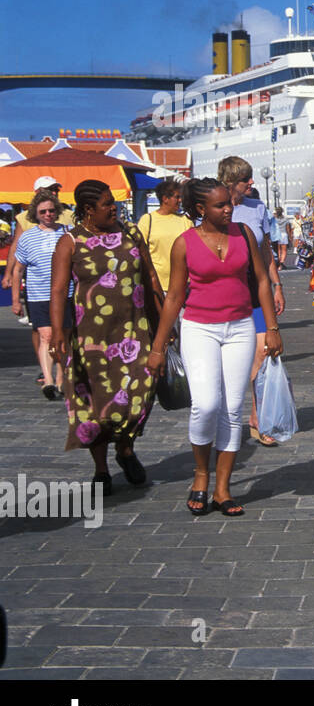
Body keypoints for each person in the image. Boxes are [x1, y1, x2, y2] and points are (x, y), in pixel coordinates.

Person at [147, 178, 283, 517]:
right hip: (199, 329)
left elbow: (262, 280)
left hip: (239, 327)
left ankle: (223, 488)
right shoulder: (184, 243)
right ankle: (201, 473)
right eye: (220, 205)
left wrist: (272, 328)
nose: (228, 209)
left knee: (233, 409)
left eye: (228, 203)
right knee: (206, 404)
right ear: (200, 209)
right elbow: (174, 297)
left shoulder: (244, 234)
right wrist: (158, 347)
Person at [49, 180, 162, 494]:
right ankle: (101, 470)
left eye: (113, 202)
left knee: (138, 395)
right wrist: (58, 332)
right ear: (88, 209)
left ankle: (125, 448)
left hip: (135, 332)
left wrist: (164, 322)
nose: (114, 208)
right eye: (106, 203)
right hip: (92, 339)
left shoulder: (131, 234)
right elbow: (58, 290)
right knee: (97, 405)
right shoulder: (70, 243)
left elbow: (150, 276)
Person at [218, 156, 284, 446]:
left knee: (263, 351)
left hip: (256, 291)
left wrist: (277, 285)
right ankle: (227, 418)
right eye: (247, 179)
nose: (252, 183)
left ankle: (257, 416)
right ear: (232, 181)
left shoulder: (258, 208)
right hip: (226, 292)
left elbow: (266, 250)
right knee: (227, 362)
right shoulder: (216, 209)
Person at [11, 189, 73, 400]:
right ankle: (48, 380)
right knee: (46, 335)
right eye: (43, 211)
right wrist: (15, 299)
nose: (48, 214)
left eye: (51, 211)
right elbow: (18, 269)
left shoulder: (68, 232)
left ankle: (60, 377)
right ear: (36, 214)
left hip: (66, 294)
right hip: (38, 295)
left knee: (63, 337)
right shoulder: (28, 237)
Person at [139, 179, 191, 295]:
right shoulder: (147, 220)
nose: (180, 200)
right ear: (165, 199)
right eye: (177, 197)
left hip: (184, 285)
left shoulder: (186, 220)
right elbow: (141, 252)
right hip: (158, 286)